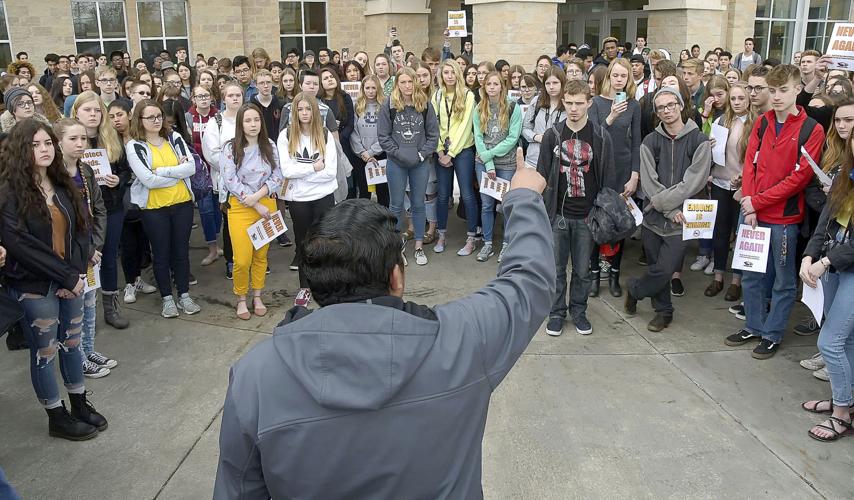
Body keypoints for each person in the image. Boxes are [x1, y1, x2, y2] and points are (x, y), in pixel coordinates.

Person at [213, 153, 553, 500]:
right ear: (397, 276)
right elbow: (529, 283)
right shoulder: (463, 340)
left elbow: (238, 489)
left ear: (314, 285)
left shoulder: (255, 375)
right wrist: (523, 198)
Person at [0, 118, 107, 440]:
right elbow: (21, 244)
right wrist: (64, 276)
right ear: (21, 150)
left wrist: (72, 275)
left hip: (69, 280)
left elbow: (80, 230)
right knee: (45, 351)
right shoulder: (8, 192)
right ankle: (56, 415)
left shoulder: (62, 183)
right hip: (33, 286)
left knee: (72, 345)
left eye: (47, 143)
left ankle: (79, 403)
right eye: (34, 145)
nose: (44, 149)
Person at [723, 65, 825, 359]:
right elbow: (750, 165)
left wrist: (757, 202)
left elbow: (800, 178)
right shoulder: (763, 122)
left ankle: (772, 333)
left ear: (797, 89)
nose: (777, 96)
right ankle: (754, 325)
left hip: (783, 219)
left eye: (783, 90)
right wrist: (750, 202)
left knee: (782, 281)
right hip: (753, 212)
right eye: (774, 90)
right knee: (751, 275)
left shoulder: (811, 130)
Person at [624, 87, 711, 332]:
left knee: (665, 270)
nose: (667, 110)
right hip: (654, 218)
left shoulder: (699, 141)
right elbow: (650, 183)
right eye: (661, 107)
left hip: (684, 219)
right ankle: (663, 311)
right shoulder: (650, 141)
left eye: (671, 104)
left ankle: (635, 289)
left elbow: (694, 181)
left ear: (681, 105)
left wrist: (671, 209)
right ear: (656, 113)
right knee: (655, 268)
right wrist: (669, 210)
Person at [539, 79, 613, 337]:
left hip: (587, 216)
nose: (573, 108)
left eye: (579, 103)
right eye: (568, 103)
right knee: (557, 270)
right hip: (559, 214)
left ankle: (579, 312)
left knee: (582, 271)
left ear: (589, 104)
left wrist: (601, 213)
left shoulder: (601, 136)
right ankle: (556, 313)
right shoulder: (553, 135)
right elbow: (542, 174)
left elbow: (608, 177)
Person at [800, 130, 854, 442]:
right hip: (833, 263)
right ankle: (841, 400)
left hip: (843, 265)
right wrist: (809, 256)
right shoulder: (845, 174)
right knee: (844, 343)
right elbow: (826, 223)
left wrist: (825, 262)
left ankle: (842, 412)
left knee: (829, 343)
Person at [126, 100, 202, 318]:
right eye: (150, 117)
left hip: (182, 205)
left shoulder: (174, 138)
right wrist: (175, 173)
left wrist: (162, 171)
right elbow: (148, 180)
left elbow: (190, 168)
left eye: (158, 116)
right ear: (139, 120)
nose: (156, 120)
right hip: (154, 209)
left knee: (181, 251)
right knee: (161, 254)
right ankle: (167, 298)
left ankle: (184, 295)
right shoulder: (135, 146)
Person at [54, 118, 117, 378]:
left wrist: (96, 246)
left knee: (90, 302)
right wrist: (85, 251)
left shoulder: (86, 170)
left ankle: (88, 349)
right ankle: (77, 357)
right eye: (73, 139)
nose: (80, 144)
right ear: (58, 142)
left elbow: (99, 209)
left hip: (92, 250)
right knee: (75, 308)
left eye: (83, 139)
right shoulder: (54, 176)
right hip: (72, 254)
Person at [70, 91, 132, 329]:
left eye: (97, 110)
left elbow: (125, 169)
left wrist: (119, 178)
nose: (93, 115)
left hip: (112, 206)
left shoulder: (111, 137)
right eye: (88, 110)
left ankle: (110, 306)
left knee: (108, 256)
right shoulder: (68, 139)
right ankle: (85, 309)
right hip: (80, 212)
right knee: (84, 256)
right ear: (77, 112)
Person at [221, 103, 283, 320]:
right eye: (247, 120)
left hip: (266, 204)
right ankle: (241, 297)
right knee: (242, 259)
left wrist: (260, 197)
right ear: (240, 123)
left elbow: (278, 175)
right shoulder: (230, 148)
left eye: (256, 120)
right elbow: (230, 180)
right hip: (241, 207)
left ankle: (257, 295)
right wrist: (254, 202)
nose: (253, 124)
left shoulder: (270, 146)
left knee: (261, 255)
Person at [277, 93, 338, 307]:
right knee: (303, 242)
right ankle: (305, 287)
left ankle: (325, 284)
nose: (304, 113)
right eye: (300, 109)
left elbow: (330, 172)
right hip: (298, 199)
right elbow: (287, 170)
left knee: (325, 241)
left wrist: (302, 172)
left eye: (308, 109)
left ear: (314, 110)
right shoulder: (285, 135)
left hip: (323, 196)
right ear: (294, 112)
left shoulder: (324, 133)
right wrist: (313, 167)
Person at [587, 58, 641, 297]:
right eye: (615, 75)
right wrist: (609, 117)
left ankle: (615, 275)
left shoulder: (634, 106)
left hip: (623, 169)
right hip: (599, 169)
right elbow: (592, 137)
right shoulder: (597, 103)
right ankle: (594, 275)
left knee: (620, 223)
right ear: (608, 77)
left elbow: (637, 142)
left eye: (624, 76)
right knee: (597, 222)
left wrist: (635, 175)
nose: (619, 80)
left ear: (629, 79)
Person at [377, 67, 439, 267]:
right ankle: (397, 249)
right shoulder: (389, 105)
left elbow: (433, 135)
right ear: (397, 84)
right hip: (396, 163)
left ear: (415, 82)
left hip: (420, 163)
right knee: (395, 206)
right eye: (402, 82)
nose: (407, 86)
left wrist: (422, 154)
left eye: (410, 82)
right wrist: (398, 153)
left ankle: (419, 247)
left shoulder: (425, 105)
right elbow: (383, 136)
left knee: (418, 204)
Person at [705, 81, 752, 300]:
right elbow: (713, 151)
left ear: (749, 98)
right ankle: (718, 276)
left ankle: (737, 280)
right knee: (720, 232)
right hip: (721, 182)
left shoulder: (757, 123)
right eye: (733, 99)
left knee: (741, 234)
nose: (736, 102)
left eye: (741, 98)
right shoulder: (722, 120)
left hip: (744, 186)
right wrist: (710, 146)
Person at [432, 59, 478, 256]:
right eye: (446, 72)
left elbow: (465, 125)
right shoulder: (437, 95)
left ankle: (471, 238)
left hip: (463, 150)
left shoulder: (467, 95)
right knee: (442, 195)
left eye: (452, 72)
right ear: (441, 75)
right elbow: (434, 125)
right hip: (442, 151)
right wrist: (441, 150)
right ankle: (441, 235)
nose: (449, 76)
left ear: (458, 73)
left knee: (467, 195)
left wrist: (451, 153)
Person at [204, 81, 244, 279]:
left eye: (238, 95)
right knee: (231, 224)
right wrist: (233, 169)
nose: (235, 98)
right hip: (226, 182)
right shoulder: (216, 122)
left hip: (252, 181)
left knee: (252, 221)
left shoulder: (249, 118)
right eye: (231, 95)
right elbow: (212, 153)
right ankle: (231, 259)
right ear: (223, 98)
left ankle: (254, 258)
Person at [350, 74, 389, 206]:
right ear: (363, 88)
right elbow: (353, 132)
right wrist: (362, 152)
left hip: (380, 154)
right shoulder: (356, 105)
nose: (371, 91)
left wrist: (372, 152)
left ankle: (384, 222)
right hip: (361, 156)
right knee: (364, 192)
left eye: (373, 88)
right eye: (367, 88)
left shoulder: (385, 105)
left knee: (382, 191)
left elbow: (387, 132)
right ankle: (364, 223)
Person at [249, 69, 283, 142]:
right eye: (261, 83)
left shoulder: (281, 104)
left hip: (278, 145)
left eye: (268, 82)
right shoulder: (250, 106)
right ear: (256, 85)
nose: (266, 86)